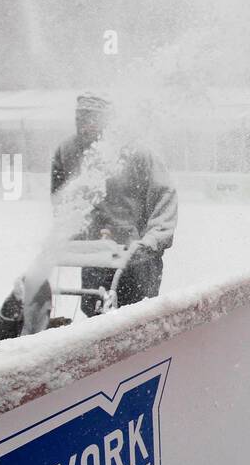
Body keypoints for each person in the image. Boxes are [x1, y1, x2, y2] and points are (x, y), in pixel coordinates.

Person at [50, 93, 178, 315]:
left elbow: (164, 198)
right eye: (80, 119)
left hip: (137, 256)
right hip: (96, 253)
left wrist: (152, 240)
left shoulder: (137, 152)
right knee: (94, 312)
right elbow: (61, 199)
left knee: (137, 316)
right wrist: (67, 233)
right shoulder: (66, 151)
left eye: (92, 119)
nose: (85, 126)